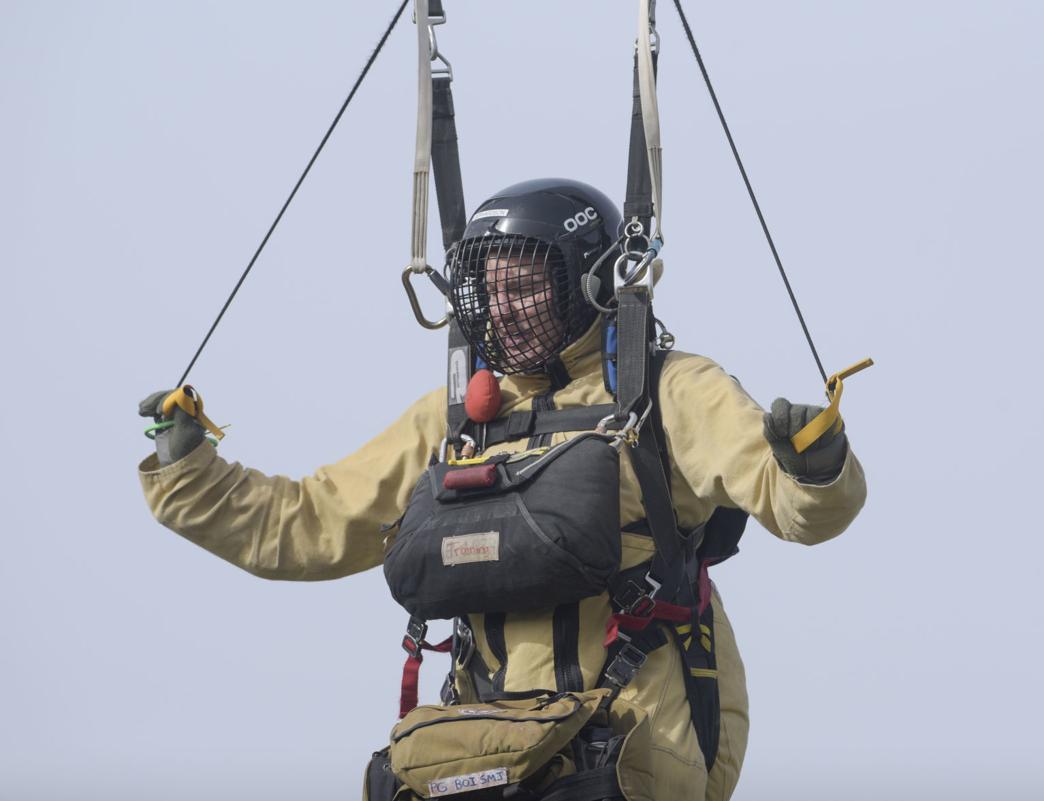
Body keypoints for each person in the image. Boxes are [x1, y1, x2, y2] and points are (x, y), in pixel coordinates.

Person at [138, 178, 867, 801]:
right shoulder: (454, 420)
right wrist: (189, 473)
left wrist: (814, 464)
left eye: (525, 285)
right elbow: (311, 522)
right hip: (490, 756)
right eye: (490, 287)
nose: (505, 305)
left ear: (587, 279)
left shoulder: (668, 391)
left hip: (633, 743)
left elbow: (790, 503)